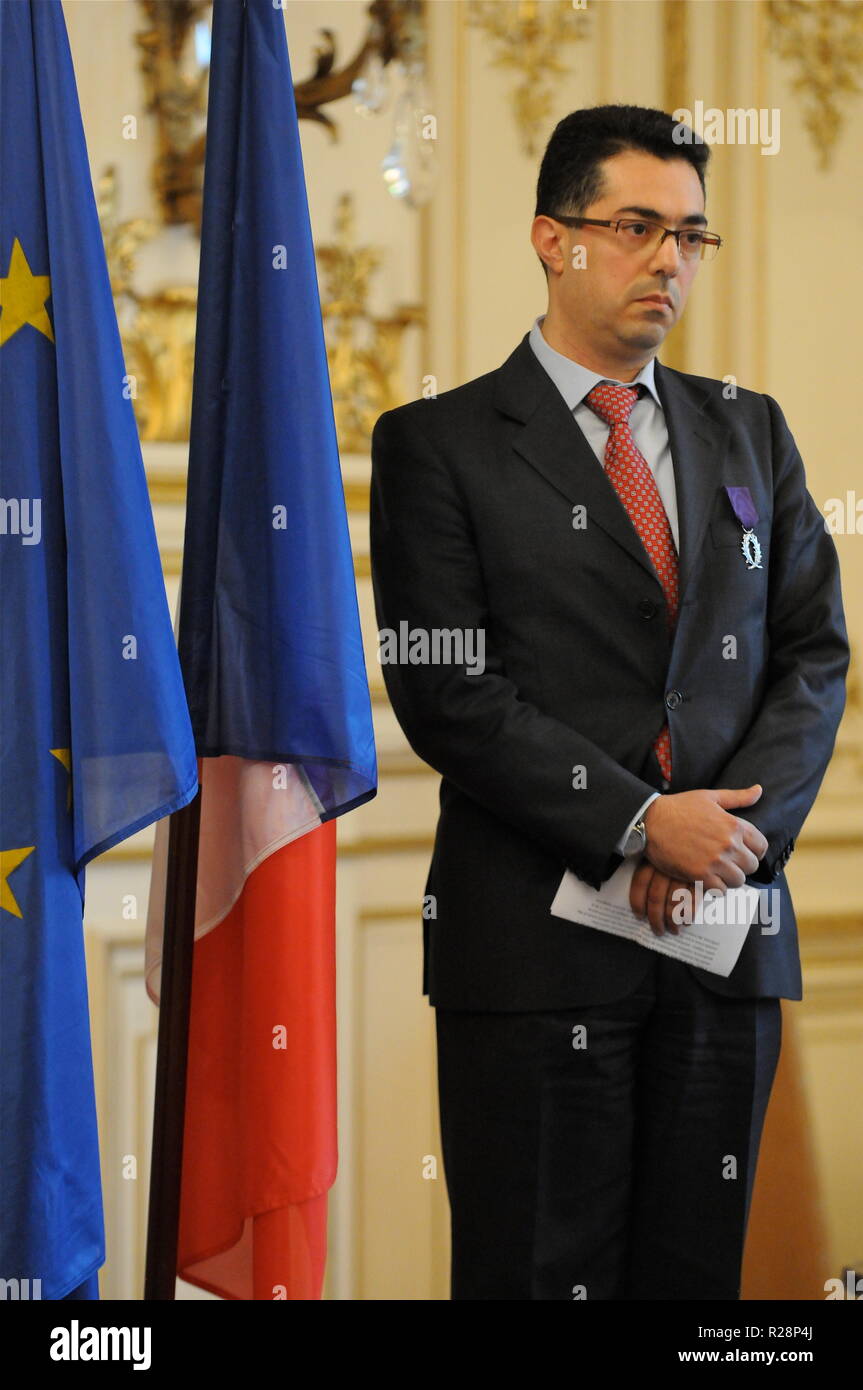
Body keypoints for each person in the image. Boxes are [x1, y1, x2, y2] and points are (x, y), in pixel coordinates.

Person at [369, 104, 849, 1300]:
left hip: (719, 948)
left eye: (690, 235)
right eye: (635, 227)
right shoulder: (437, 443)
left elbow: (811, 655)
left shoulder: (750, 430)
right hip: (531, 963)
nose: (668, 261)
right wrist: (640, 823)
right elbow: (447, 687)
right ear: (551, 238)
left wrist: (721, 843)